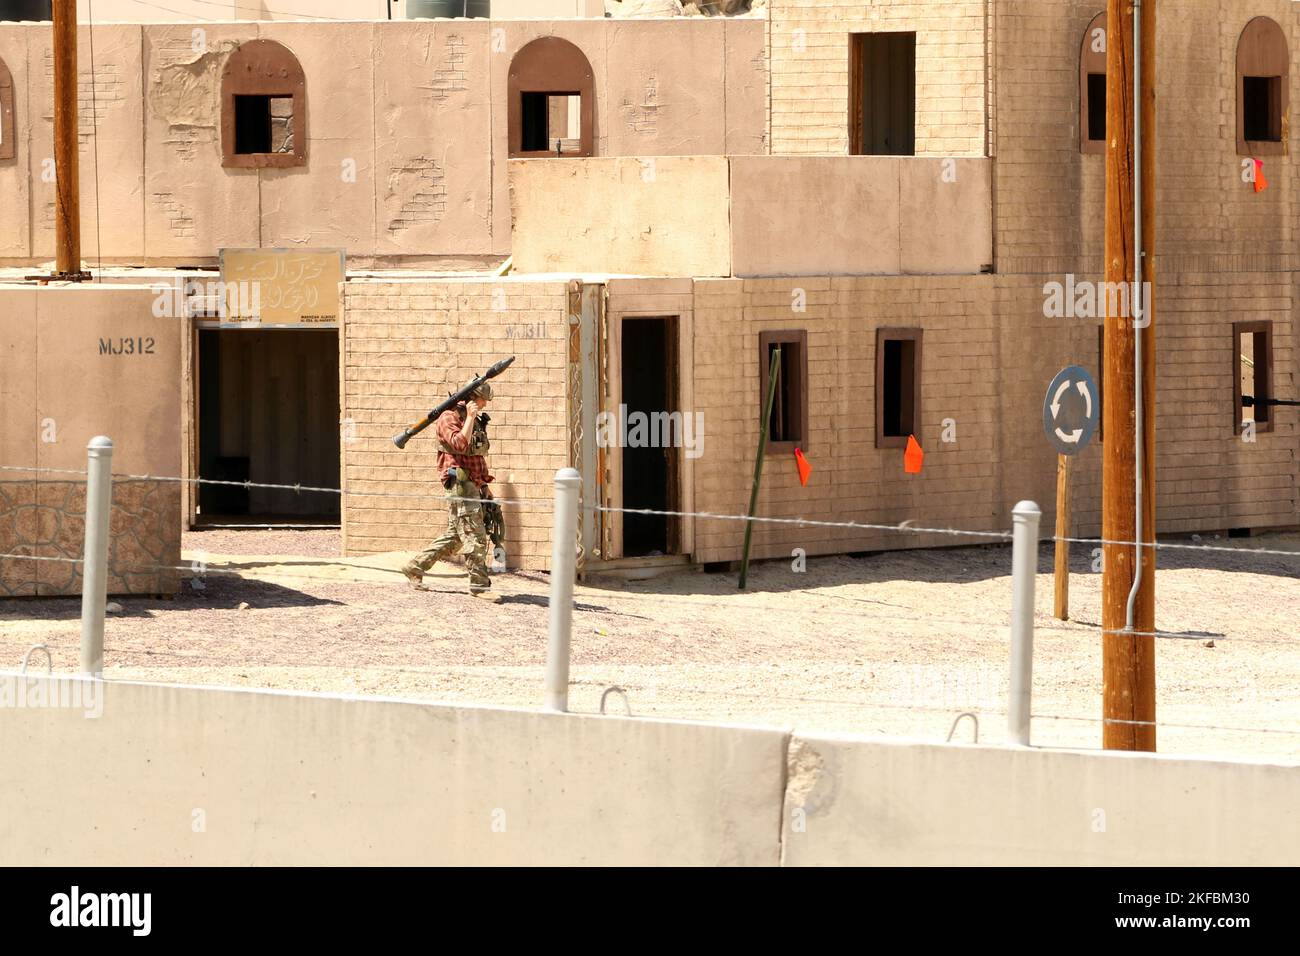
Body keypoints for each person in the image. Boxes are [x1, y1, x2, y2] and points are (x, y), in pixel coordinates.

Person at [401, 381, 502, 603]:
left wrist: (484, 485)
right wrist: (470, 418)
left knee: (456, 536)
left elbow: (476, 457)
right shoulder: (448, 418)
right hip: (460, 485)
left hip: (473, 484)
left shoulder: (473, 420)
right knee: (475, 536)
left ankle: (414, 567)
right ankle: (479, 587)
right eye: (482, 400)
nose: (485, 404)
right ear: (472, 398)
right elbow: (459, 444)